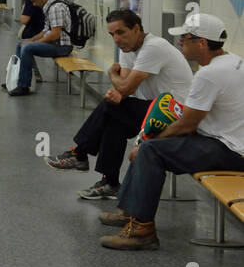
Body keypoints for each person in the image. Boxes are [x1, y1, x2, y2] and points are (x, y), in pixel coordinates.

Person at [98, 13, 244, 250]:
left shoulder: (209, 74)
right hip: (226, 141)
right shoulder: (234, 61)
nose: (179, 43)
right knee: (148, 142)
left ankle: (142, 230)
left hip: (229, 150)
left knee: (150, 150)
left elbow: (188, 124)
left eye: (184, 39)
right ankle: (130, 213)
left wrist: (147, 142)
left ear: (202, 43)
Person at [46, 9, 193, 199]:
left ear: (136, 29)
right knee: (115, 120)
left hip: (177, 115)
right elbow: (122, 89)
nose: (116, 39)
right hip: (157, 109)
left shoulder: (154, 47)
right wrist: (119, 88)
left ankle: (79, 153)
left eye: (120, 32)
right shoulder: (127, 48)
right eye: (112, 34)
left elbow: (125, 87)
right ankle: (110, 182)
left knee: (112, 107)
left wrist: (112, 75)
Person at [8, 0, 72, 95]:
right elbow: (45, 31)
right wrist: (31, 40)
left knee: (27, 48)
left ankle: (24, 86)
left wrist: (33, 43)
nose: (34, 4)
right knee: (21, 43)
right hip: (55, 43)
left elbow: (55, 34)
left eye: (34, 1)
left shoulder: (55, 8)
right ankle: (16, 80)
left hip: (62, 46)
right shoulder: (49, 7)